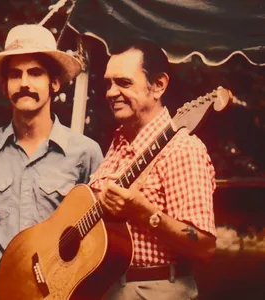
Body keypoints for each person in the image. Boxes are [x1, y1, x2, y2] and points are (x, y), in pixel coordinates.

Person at [0, 24, 103, 299]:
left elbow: (100, 235)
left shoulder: (85, 152)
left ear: (54, 83)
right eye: (15, 75)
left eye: (35, 73)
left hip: (54, 291)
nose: (25, 84)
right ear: (4, 86)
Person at [88, 38, 216, 299]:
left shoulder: (182, 149)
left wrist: (142, 212)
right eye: (108, 83)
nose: (111, 92)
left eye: (123, 82)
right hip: (106, 287)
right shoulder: (117, 146)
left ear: (158, 85)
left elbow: (204, 247)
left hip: (155, 289)